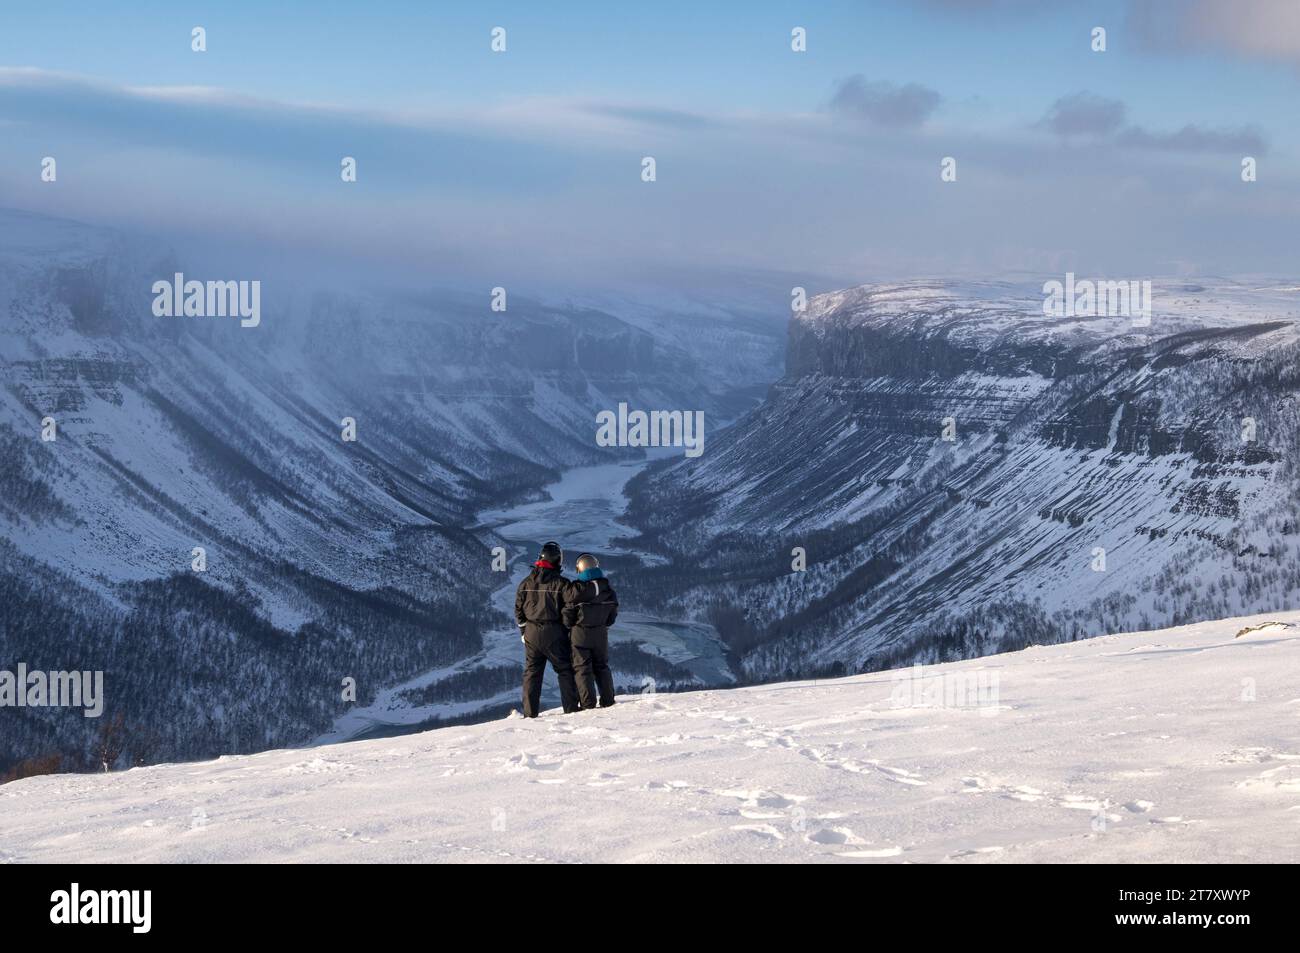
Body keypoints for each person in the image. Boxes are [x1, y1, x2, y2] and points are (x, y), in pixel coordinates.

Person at [515, 541, 581, 717]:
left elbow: (518, 610)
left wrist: (523, 631)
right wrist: (567, 627)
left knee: (532, 673)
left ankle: (529, 714)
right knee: (565, 670)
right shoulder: (562, 583)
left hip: (531, 632)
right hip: (555, 632)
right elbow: (570, 608)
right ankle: (572, 709)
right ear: (558, 560)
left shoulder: (525, 583)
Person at [562, 552, 619, 709]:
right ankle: (608, 700)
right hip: (600, 634)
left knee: (582, 668)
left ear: (580, 569)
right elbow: (612, 617)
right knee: (602, 666)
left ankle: (588, 704)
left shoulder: (576, 591)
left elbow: (567, 617)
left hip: (580, 634)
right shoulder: (608, 590)